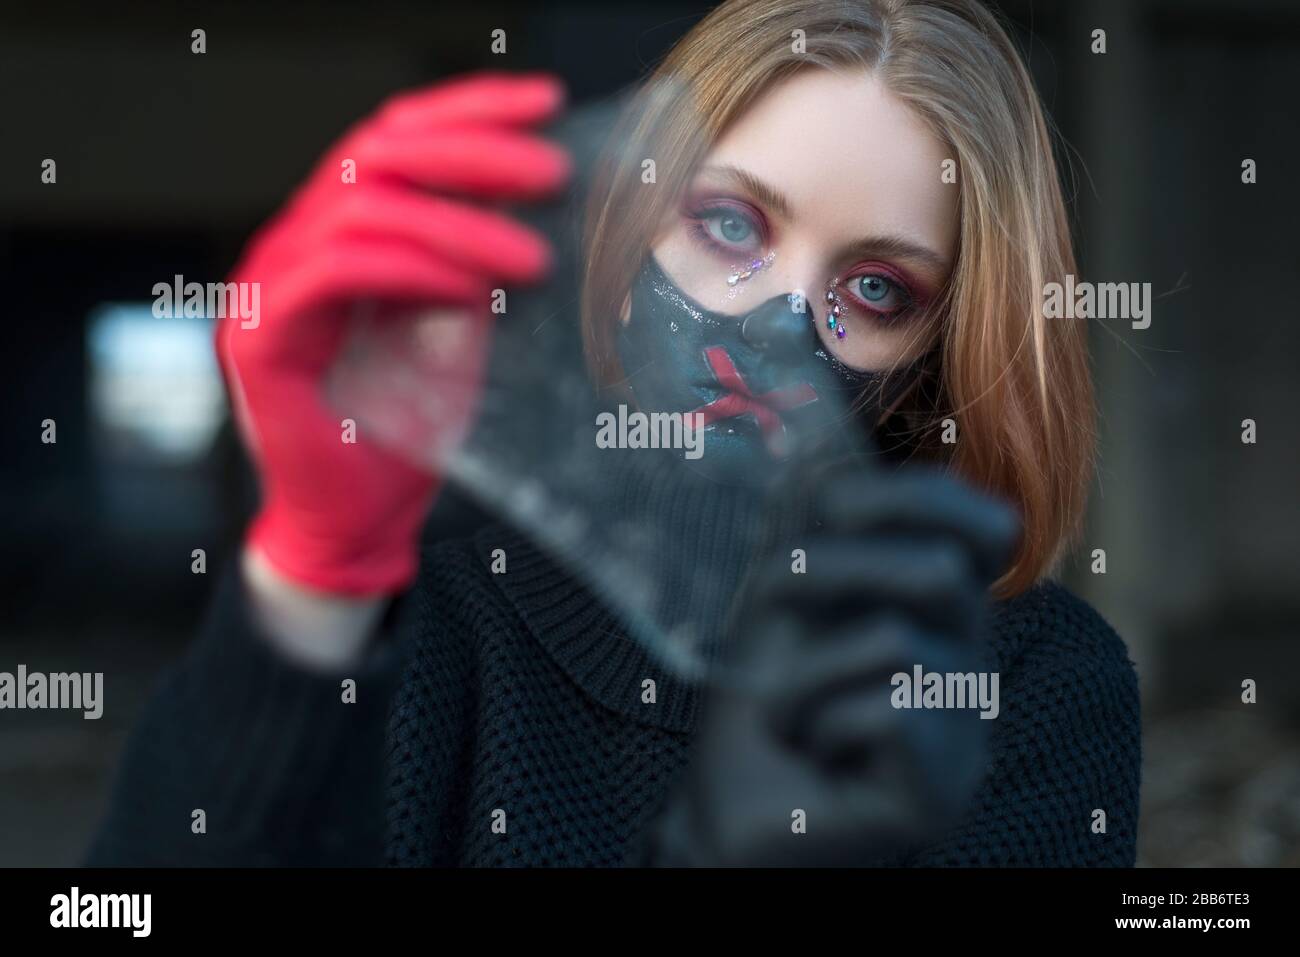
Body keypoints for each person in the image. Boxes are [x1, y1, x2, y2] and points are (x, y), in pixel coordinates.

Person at [88, 0, 1141, 868]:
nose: (775, 321)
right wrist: (311, 583)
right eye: (729, 224)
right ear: (629, 226)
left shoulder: (1026, 687)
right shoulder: (432, 623)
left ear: (937, 355)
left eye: (875, 287)